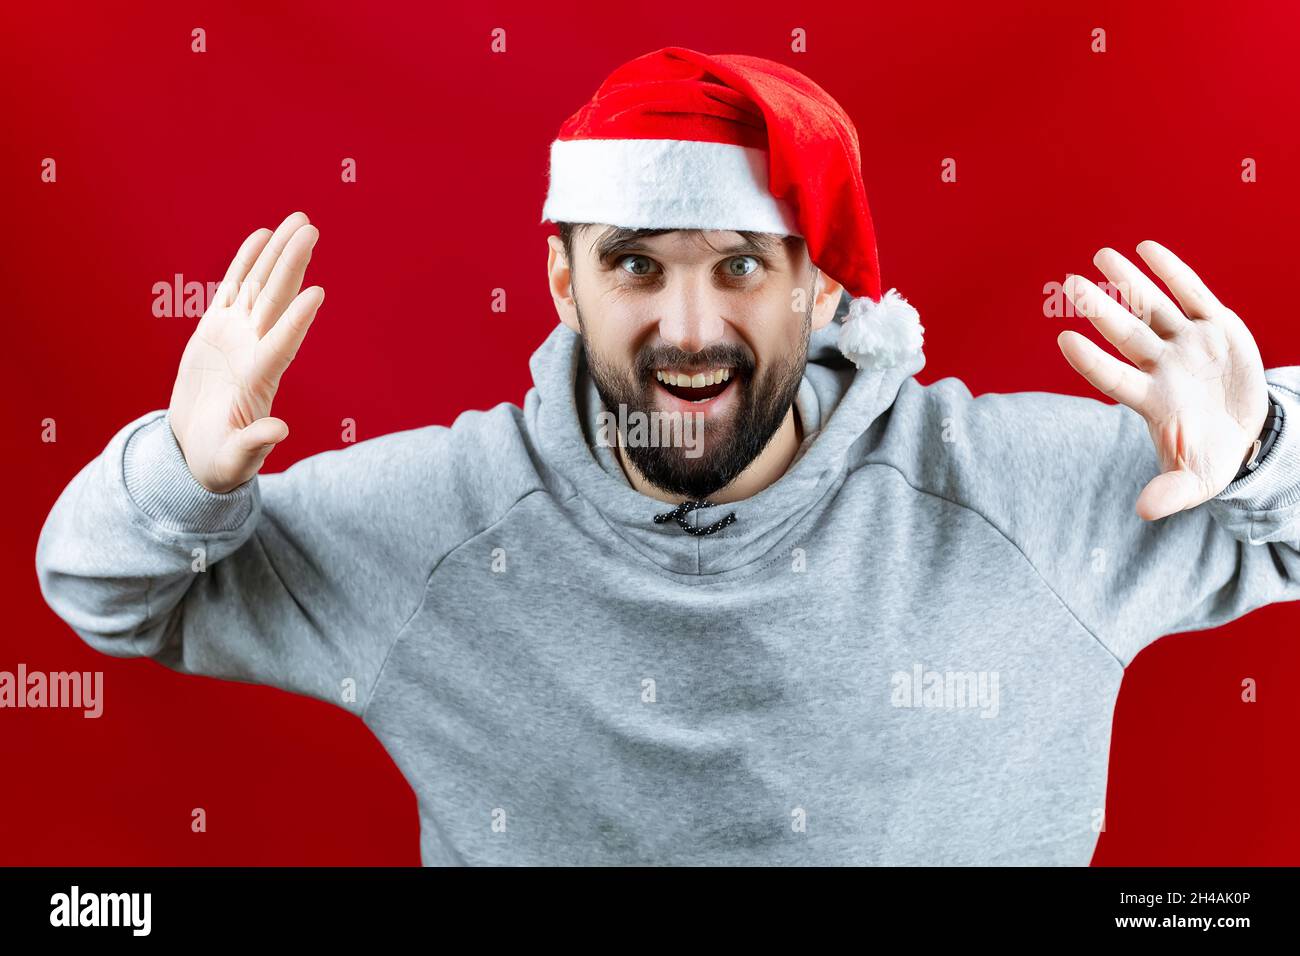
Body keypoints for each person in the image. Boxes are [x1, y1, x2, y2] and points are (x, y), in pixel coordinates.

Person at [35, 46, 1300, 866]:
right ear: (560, 278)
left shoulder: (1022, 492)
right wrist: (180, 474)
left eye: (741, 266)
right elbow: (104, 593)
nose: (689, 329)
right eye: (636, 262)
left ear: (819, 288)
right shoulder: (433, 521)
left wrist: (1262, 446)